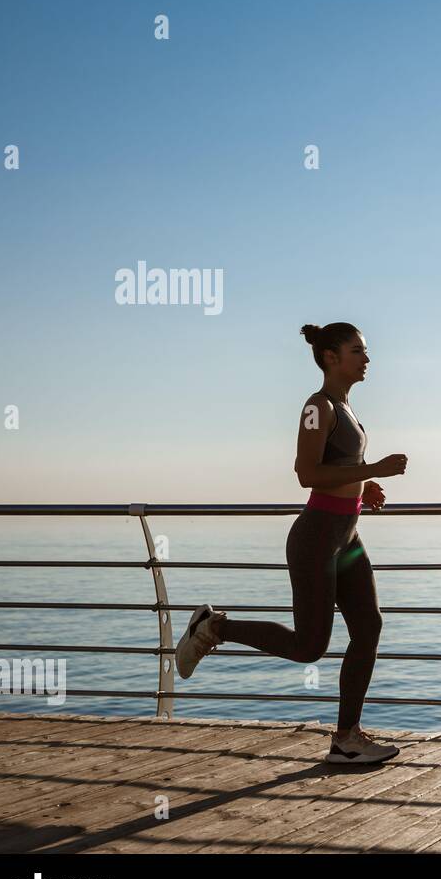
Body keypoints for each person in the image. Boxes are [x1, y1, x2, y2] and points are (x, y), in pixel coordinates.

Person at [174, 322, 408, 764]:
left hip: (348, 537)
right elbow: (307, 473)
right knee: (309, 646)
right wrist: (371, 467)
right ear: (330, 357)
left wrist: (366, 483)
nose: (367, 359)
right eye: (357, 350)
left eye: (366, 351)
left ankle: (346, 739)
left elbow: (340, 466)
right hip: (317, 537)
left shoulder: (347, 408)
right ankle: (213, 626)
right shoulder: (317, 406)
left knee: (369, 627)